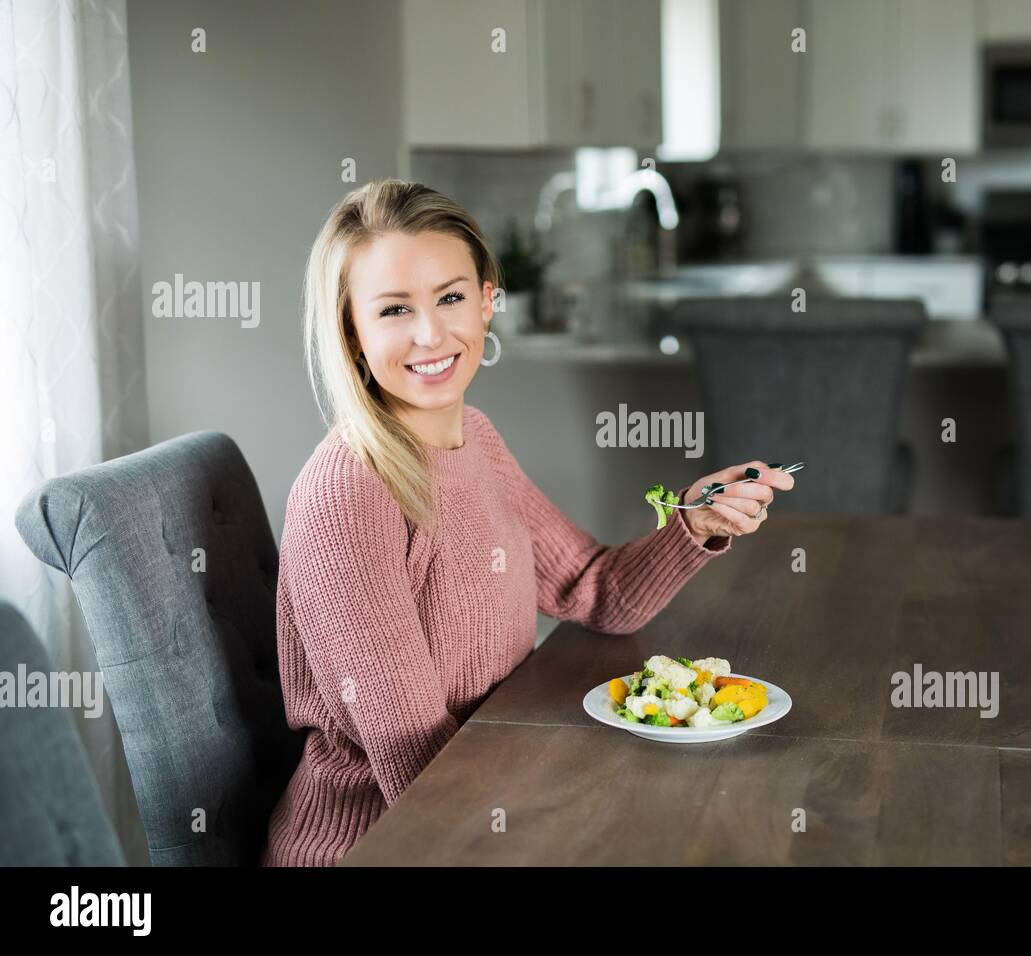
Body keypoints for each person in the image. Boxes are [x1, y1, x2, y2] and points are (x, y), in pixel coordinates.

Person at [259, 179, 795, 865]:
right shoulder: (349, 492)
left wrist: (694, 521)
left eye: (450, 297)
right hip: (384, 841)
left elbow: (593, 588)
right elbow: (417, 765)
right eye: (394, 309)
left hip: (485, 800)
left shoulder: (473, 438)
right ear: (351, 332)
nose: (431, 333)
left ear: (487, 302)